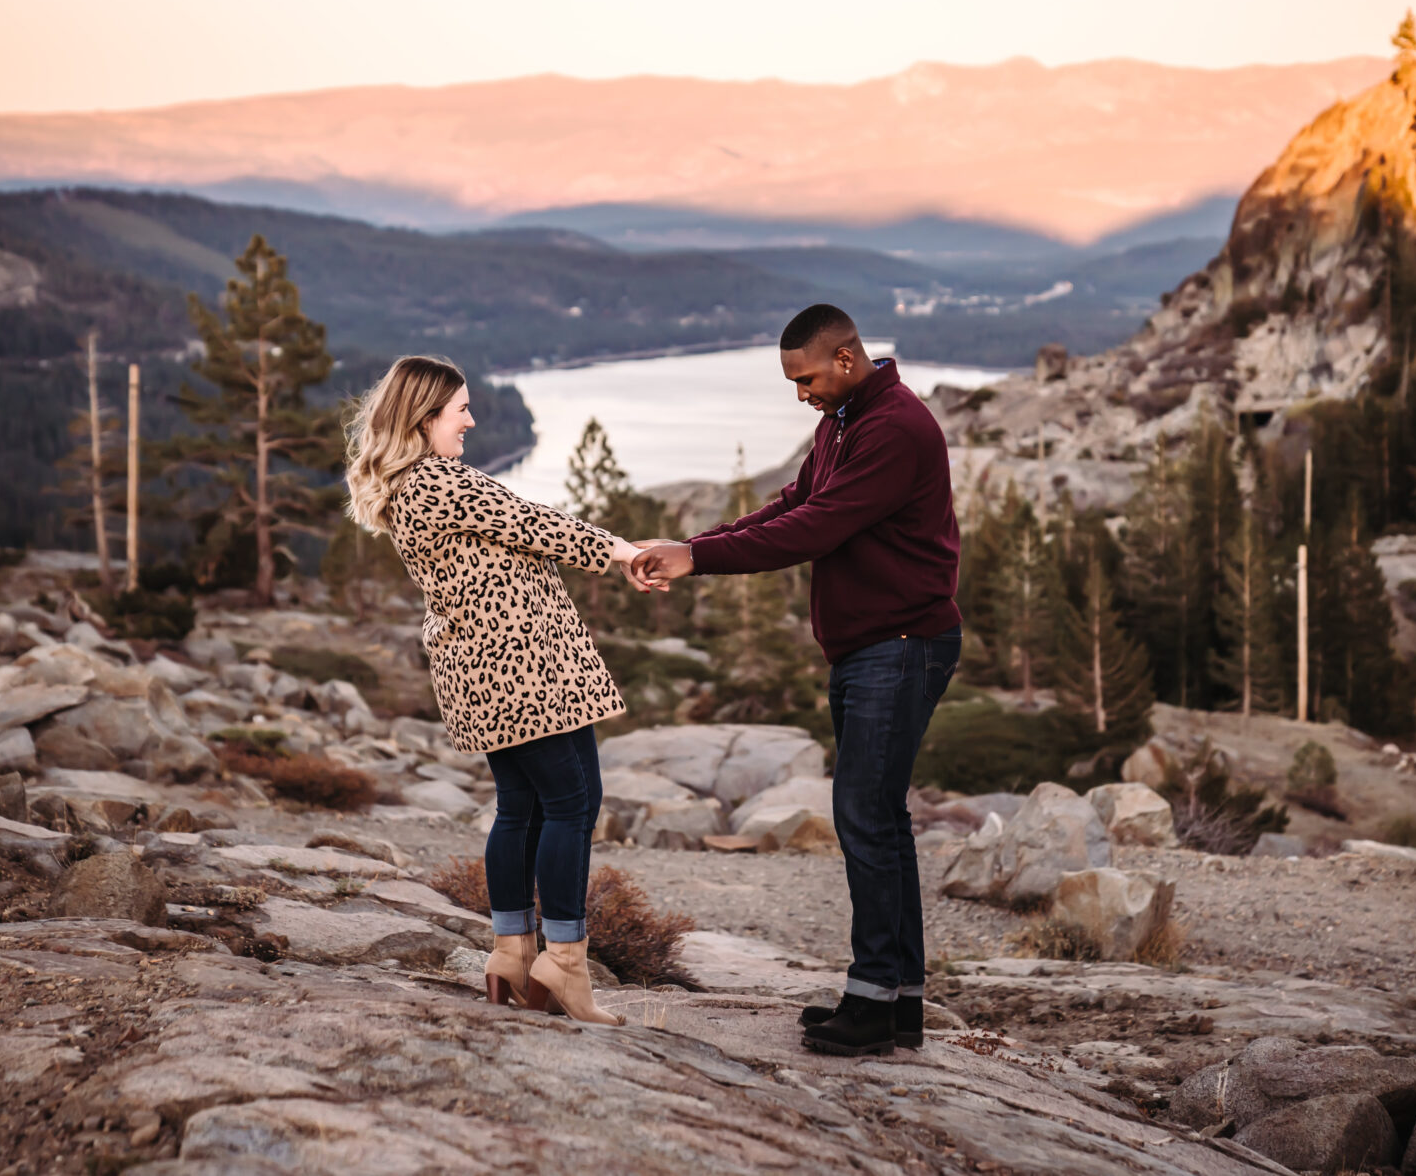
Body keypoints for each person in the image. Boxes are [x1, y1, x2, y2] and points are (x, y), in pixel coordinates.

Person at [632, 305, 962, 1056]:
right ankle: (898, 1004)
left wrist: (700, 558)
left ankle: (873, 1005)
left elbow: (818, 528)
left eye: (806, 378)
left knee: (865, 820)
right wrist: (694, 544)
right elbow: (794, 503)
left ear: (845, 358)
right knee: (879, 820)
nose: (801, 394)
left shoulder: (895, 429)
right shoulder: (845, 420)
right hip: (871, 647)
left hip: (902, 643)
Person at [344, 355, 652, 1025]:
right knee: (572, 803)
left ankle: (511, 954)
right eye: (460, 410)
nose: (471, 420)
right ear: (425, 418)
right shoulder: (442, 482)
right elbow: (539, 523)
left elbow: (518, 525)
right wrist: (626, 553)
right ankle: (564, 964)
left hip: (480, 672)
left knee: (520, 807)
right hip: (525, 669)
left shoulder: (405, 485)